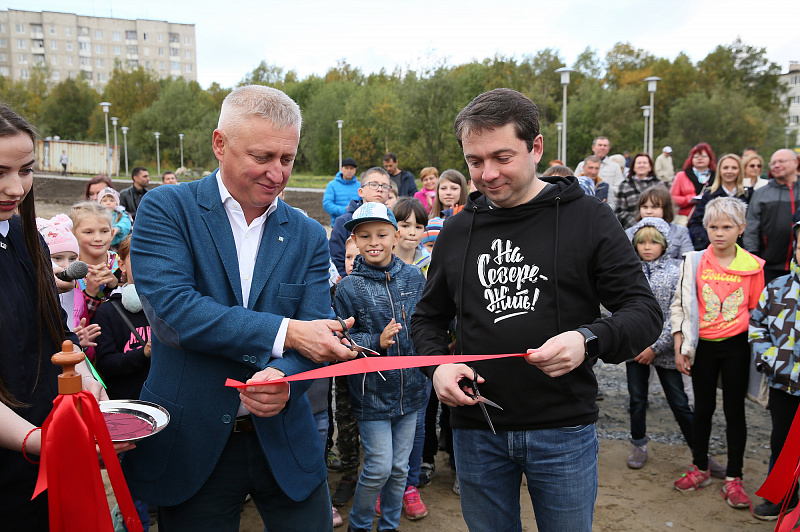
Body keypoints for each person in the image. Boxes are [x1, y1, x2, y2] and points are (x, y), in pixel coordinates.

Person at [410, 88, 662, 532]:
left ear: (537, 147)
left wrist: (588, 339)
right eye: (474, 161)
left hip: (562, 430)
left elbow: (644, 312)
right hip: (476, 429)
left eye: (502, 157)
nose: (487, 174)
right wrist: (437, 367)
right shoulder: (456, 230)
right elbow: (426, 318)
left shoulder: (589, 218)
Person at [123, 85, 357, 532]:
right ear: (219, 144)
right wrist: (287, 332)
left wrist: (283, 377)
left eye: (287, 159)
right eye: (262, 156)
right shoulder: (168, 209)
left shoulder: (306, 233)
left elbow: (315, 329)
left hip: (286, 441)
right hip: (192, 443)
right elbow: (175, 313)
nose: (277, 173)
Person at [0, 104, 114, 532]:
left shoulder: (25, 241)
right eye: (0, 172)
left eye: (26, 170)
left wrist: (91, 388)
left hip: (49, 450)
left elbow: (56, 332)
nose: (16, 188)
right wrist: (37, 442)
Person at [332, 202, 428, 532]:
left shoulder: (416, 278)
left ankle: (388, 526)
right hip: (371, 395)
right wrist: (377, 341)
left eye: (382, 234)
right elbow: (342, 340)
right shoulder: (348, 287)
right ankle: (359, 526)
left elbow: (427, 325)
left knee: (400, 468)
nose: (374, 241)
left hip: (413, 392)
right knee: (378, 467)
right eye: (365, 235)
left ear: (395, 236)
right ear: (354, 242)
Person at [672, 197, 764, 509]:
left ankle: (734, 477)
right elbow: (682, 306)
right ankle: (700, 467)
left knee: (734, 411)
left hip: (737, 346)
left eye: (727, 226)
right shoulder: (694, 261)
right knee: (703, 408)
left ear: (741, 228)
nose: (719, 232)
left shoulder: (753, 267)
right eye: (713, 226)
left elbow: (757, 311)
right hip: (703, 347)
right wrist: (680, 344)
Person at [624, 217, 694, 469]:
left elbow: (679, 313)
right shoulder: (627, 273)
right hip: (636, 351)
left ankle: (699, 450)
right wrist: (635, 346)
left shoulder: (677, 272)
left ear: (664, 244)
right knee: (637, 399)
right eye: (641, 242)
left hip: (663, 351)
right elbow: (621, 311)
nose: (647, 247)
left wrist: (655, 347)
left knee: (679, 401)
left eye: (654, 242)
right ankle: (638, 443)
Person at [750, 222, 800, 520]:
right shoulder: (778, 288)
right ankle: (780, 495)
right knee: (781, 440)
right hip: (783, 382)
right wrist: (771, 360)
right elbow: (758, 327)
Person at [744, 149, 800, 283]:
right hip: (769, 266)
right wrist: (753, 256)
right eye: (773, 163)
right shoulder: (761, 194)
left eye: (781, 161)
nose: (776, 165)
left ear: (796, 162)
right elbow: (751, 228)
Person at [329, 167, 392, 277]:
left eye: (385, 186)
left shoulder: (392, 222)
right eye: (373, 184)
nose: (380, 189)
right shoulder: (343, 222)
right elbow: (336, 260)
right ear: (361, 192)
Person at [688, 154, 749, 251]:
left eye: (734, 168)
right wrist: (711, 240)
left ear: (740, 171)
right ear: (719, 171)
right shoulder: (709, 195)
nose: (729, 171)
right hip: (711, 248)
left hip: (741, 249)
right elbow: (695, 223)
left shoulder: (748, 195)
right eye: (725, 168)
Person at [624, 186, 693, 261]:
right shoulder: (629, 233)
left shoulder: (680, 232)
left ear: (666, 209)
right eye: (645, 207)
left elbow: (687, 261)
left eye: (655, 207)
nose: (649, 212)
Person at [615, 153, 664, 229]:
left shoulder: (659, 184)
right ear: (633, 167)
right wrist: (637, 225)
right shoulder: (624, 185)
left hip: (657, 227)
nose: (642, 165)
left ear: (650, 167)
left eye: (644, 163)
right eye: (639, 163)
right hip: (631, 228)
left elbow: (665, 207)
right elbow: (620, 211)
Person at [670, 143, 716, 225]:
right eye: (696, 156)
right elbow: (672, 198)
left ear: (710, 158)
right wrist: (691, 198)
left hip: (712, 218)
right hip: (688, 219)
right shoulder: (681, 175)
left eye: (704, 156)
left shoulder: (716, 176)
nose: (700, 158)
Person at [393, 197, 431, 276]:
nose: (412, 233)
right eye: (405, 226)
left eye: (418, 227)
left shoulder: (430, 264)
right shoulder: (382, 260)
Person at [323, 157, 360, 225]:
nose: (349, 171)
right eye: (346, 168)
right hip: (337, 224)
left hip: (356, 225)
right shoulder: (332, 185)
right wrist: (345, 210)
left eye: (351, 168)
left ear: (355, 170)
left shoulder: (360, 186)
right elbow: (327, 205)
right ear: (341, 169)